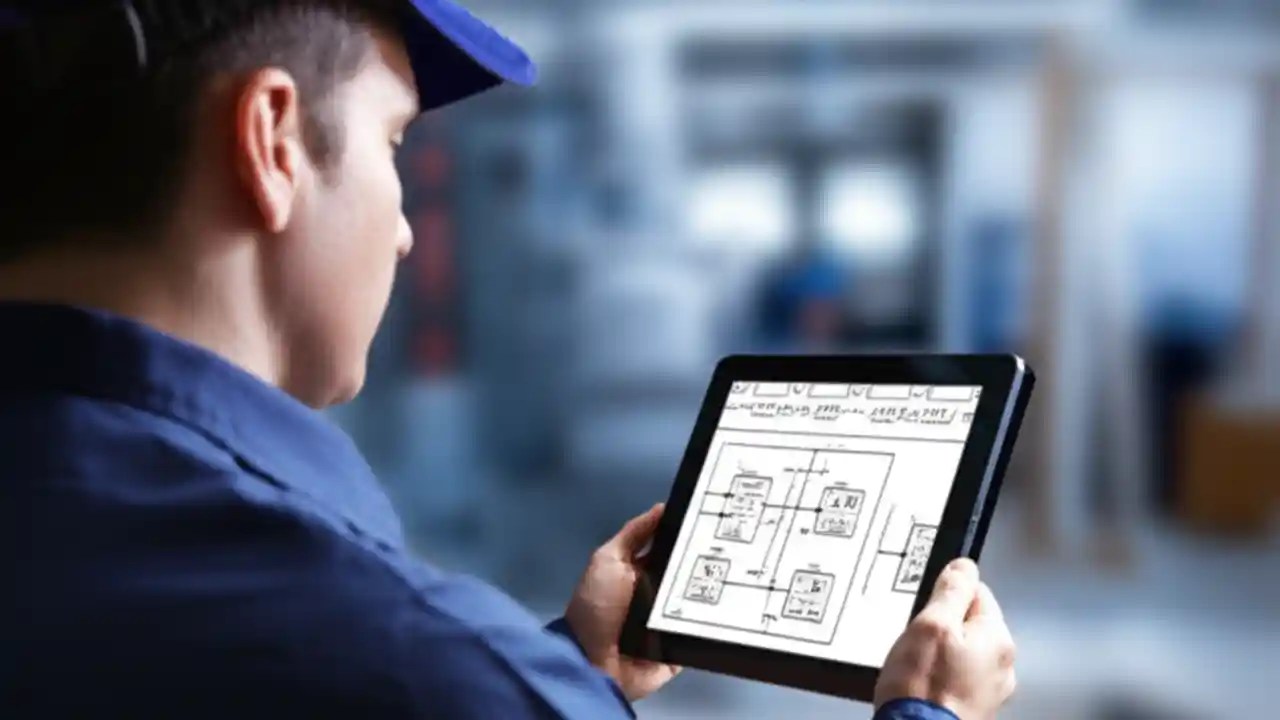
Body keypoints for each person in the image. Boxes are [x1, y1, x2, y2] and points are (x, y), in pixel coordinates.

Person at [1, 1, 1017, 717]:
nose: (406, 231)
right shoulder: (409, 656)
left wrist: (570, 673)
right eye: (392, 143)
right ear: (271, 142)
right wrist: (928, 712)